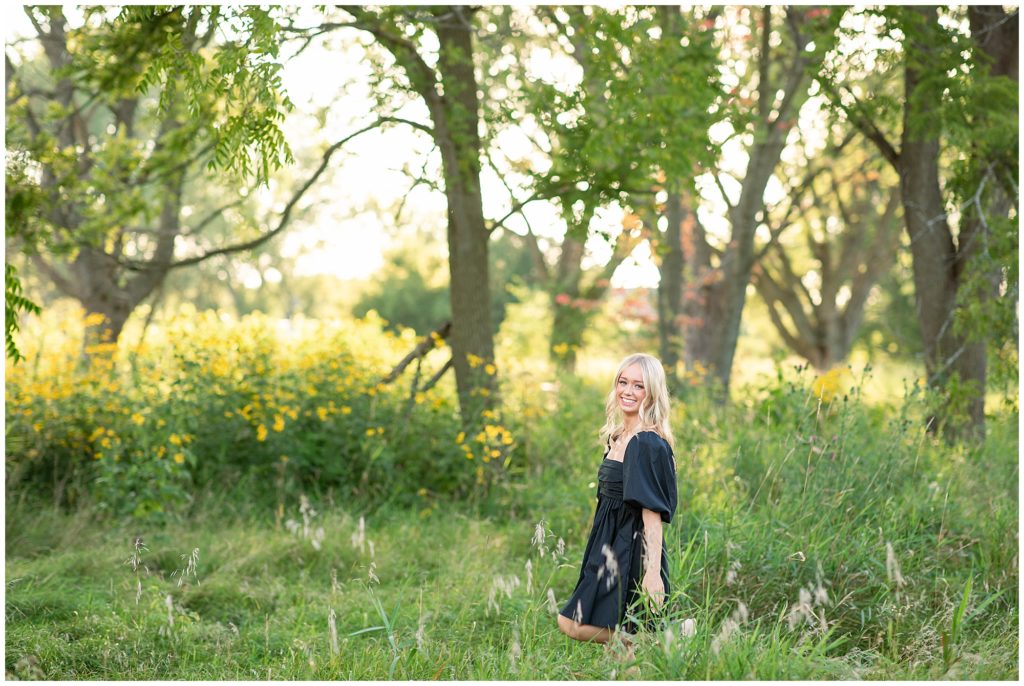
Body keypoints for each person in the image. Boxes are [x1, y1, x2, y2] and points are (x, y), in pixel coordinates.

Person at [556, 353, 678, 649]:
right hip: (606, 545)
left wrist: (652, 575)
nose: (628, 391)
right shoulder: (619, 435)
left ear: (652, 392)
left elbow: (652, 515)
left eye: (639, 385)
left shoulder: (646, 443)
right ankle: (641, 648)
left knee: (573, 622)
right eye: (623, 382)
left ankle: (655, 640)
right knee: (623, 660)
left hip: (629, 552)